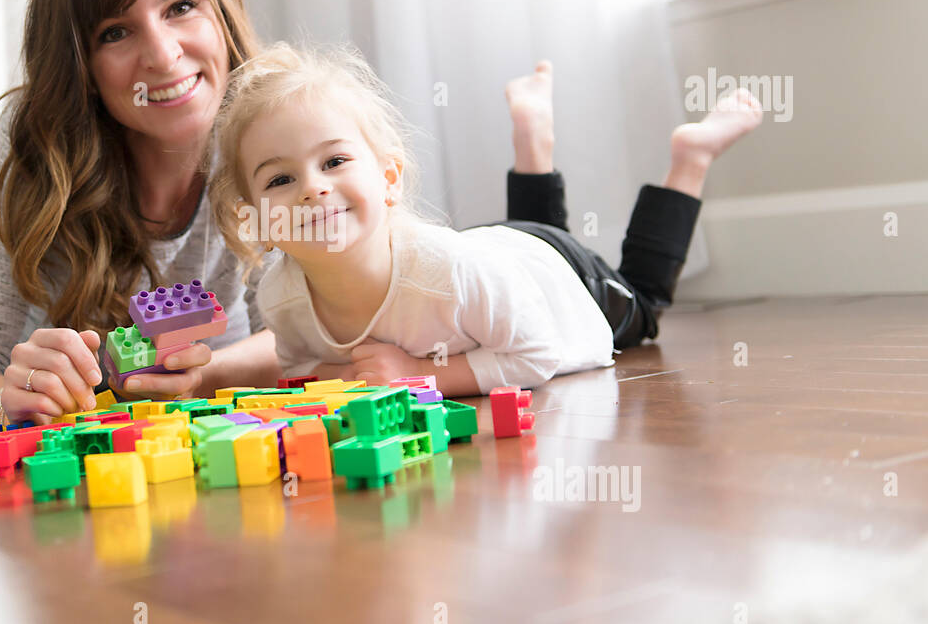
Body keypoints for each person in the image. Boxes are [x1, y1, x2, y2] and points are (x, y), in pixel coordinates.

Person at [0, 0, 284, 424]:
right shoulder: (30, 144)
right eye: (115, 32)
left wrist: (205, 376)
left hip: (210, 367)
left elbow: (304, 334)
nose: (163, 55)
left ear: (220, 13)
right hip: (52, 324)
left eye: (180, 7)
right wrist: (5, 405)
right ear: (81, 68)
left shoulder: (273, 123)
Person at [210, 43, 762, 393]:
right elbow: (301, 372)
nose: (313, 189)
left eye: (334, 161)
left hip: (559, 276)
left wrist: (418, 377)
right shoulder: (281, 295)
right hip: (500, 263)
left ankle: (691, 159)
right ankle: (532, 137)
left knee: (642, 302)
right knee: (518, 263)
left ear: (389, 180)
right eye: (280, 179)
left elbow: (538, 350)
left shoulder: (446, 274)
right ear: (255, 219)